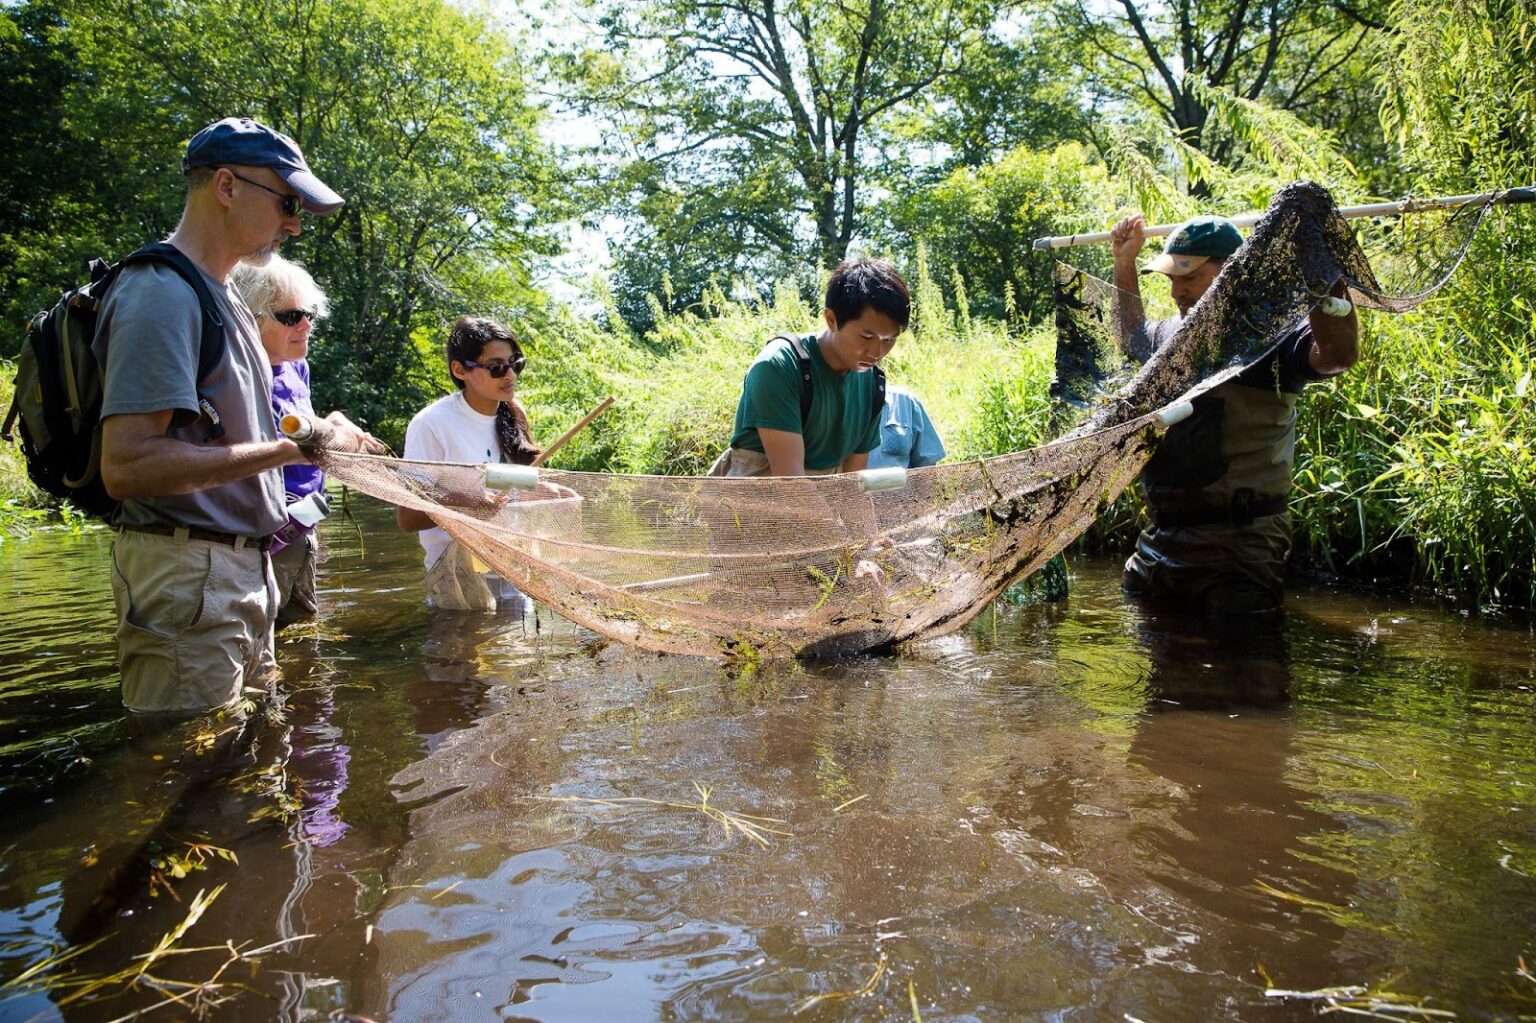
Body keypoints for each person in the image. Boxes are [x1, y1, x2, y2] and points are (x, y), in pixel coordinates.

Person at [95, 116, 371, 718]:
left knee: (247, 772)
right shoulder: (162, 294)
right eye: (287, 202)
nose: (294, 223)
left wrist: (304, 440)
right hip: (189, 576)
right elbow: (128, 466)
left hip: (238, 571)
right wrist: (300, 449)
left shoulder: (224, 299)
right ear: (226, 186)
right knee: (187, 774)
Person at [1108, 212, 1359, 614]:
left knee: (1238, 663)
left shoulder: (1269, 337)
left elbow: (1337, 356)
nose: (1178, 292)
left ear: (1232, 273)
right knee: (1158, 666)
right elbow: (1131, 338)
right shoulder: (1169, 334)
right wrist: (1124, 262)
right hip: (1160, 539)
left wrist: (1320, 268)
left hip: (1239, 544)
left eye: (1189, 278)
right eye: (1172, 279)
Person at [232, 254, 379, 630]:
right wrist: (334, 439)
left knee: (303, 635)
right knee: (261, 638)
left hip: (304, 525)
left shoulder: (297, 365)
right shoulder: (239, 374)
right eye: (290, 317)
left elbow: (302, 427)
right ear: (252, 316)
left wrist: (332, 422)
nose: (307, 325)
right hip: (264, 535)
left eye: (309, 314)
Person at [714, 257, 909, 477]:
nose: (876, 352)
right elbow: (791, 484)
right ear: (831, 320)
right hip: (761, 499)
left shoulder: (873, 384)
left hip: (824, 498)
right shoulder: (778, 367)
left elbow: (854, 485)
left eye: (889, 340)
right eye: (866, 336)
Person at [397, 316, 542, 611]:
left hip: (513, 569)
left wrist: (547, 489)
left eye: (516, 363)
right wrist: (465, 503)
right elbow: (407, 518)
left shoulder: (515, 413)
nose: (510, 375)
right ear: (460, 370)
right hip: (458, 579)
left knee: (518, 656)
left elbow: (516, 484)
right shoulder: (431, 424)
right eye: (496, 367)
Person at [865, 385, 946, 470]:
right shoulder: (850, 405)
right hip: (855, 482)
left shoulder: (904, 401)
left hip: (901, 482)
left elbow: (927, 465)